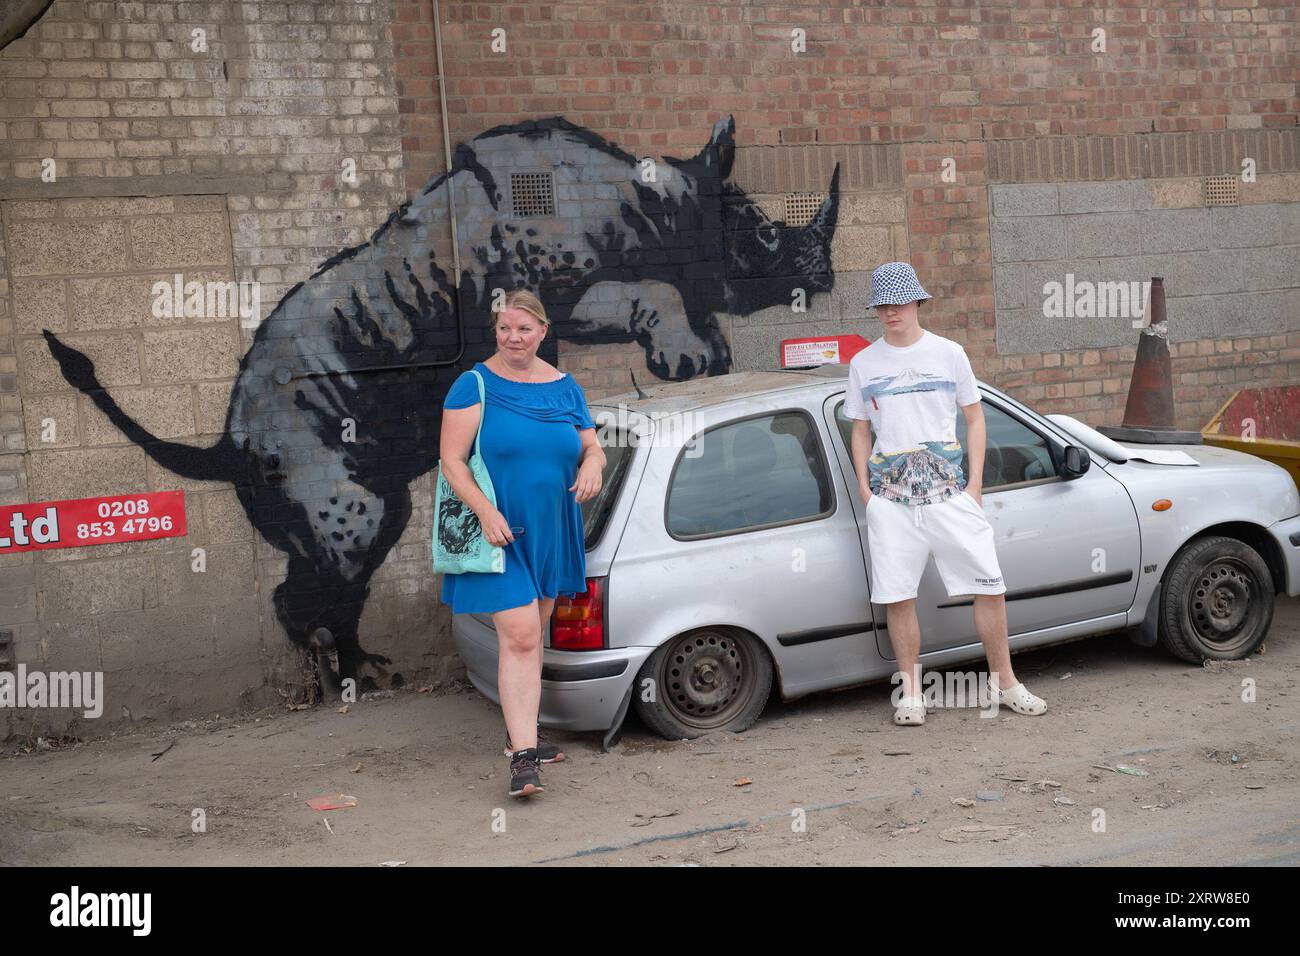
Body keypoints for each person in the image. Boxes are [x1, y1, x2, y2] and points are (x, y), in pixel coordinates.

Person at [844, 262, 1047, 726]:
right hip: (890, 502)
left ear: (916, 300)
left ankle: (1005, 682)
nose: (890, 311)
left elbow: (975, 418)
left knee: (989, 586)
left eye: (898, 301)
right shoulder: (864, 363)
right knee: (898, 596)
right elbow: (860, 430)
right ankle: (911, 693)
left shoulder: (949, 353)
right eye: (882, 303)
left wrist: (975, 486)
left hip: (951, 494)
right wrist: (865, 492)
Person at [438, 289, 606, 796]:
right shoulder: (473, 386)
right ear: (496, 330)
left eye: (525, 329)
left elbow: (590, 443)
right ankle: (524, 760)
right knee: (521, 635)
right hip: (499, 533)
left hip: (554, 526)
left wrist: (594, 464)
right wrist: (485, 512)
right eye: (505, 328)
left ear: (542, 332)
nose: (514, 337)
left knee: (534, 631)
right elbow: (452, 460)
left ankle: (521, 735)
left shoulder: (564, 386)